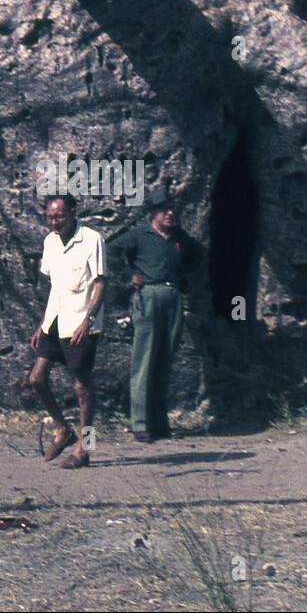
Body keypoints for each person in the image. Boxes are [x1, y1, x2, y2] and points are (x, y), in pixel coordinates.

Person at [27, 194, 106, 468]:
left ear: (73, 212)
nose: (54, 222)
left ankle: (86, 449)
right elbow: (55, 287)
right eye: (50, 217)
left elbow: (100, 283)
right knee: (36, 378)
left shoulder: (92, 239)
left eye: (59, 216)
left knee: (82, 385)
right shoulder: (50, 242)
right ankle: (63, 429)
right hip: (55, 320)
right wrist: (42, 323)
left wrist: (88, 320)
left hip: (81, 323)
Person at [120, 189, 203, 441]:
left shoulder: (179, 238)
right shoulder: (138, 235)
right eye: (164, 209)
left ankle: (159, 422)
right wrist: (128, 276)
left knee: (164, 360)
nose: (170, 213)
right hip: (147, 296)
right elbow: (111, 252)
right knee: (144, 360)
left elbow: (196, 256)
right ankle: (141, 423)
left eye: (172, 209)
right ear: (152, 213)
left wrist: (183, 278)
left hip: (174, 296)